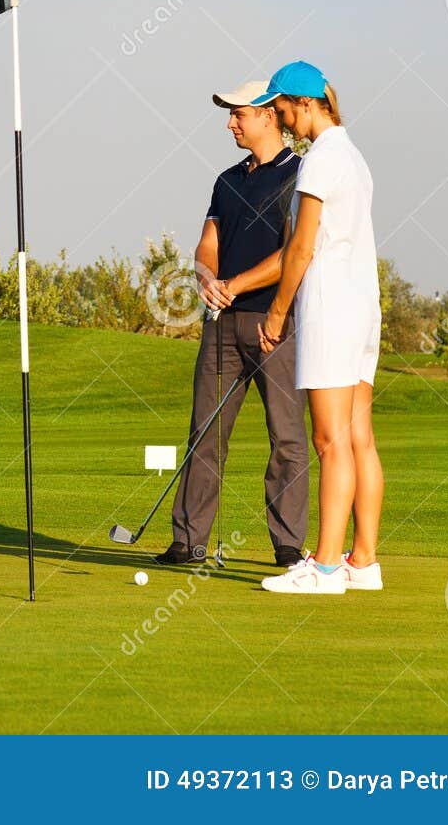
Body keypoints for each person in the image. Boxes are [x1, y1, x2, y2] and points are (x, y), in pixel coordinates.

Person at [157, 79, 308, 569]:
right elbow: (209, 242)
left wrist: (236, 284)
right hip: (221, 323)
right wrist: (207, 278)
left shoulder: (300, 175)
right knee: (205, 432)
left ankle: (288, 546)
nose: (229, 124)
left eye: (238, 114)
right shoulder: (227, 181)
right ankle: (188, 542)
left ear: (267, 114)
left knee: (286, 436)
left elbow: (293, 252)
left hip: (275, 321)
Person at [251, 61, 384, 595]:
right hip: (363, 307)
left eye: (281, 110)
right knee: (358, 438)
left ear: (305, 104)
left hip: (330, 308)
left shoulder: (321, 160)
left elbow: (301, 248)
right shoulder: (353, 156)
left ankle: (326, 567)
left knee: (329, 440)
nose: (280, 121)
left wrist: (277, 312)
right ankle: (363, 561)